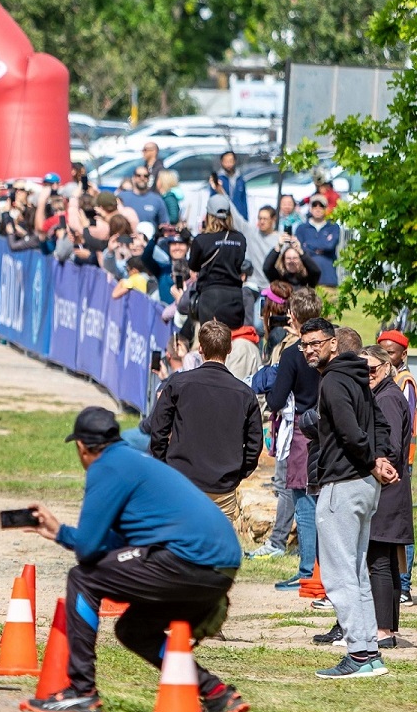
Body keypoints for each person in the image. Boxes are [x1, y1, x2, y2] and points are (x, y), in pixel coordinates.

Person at [19, 407, 249, 712]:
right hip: (218, 567)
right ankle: (216, 693)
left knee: (82, 578)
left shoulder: (106, 467)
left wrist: (65, 535)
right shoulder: (133, 460)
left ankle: (82, 692)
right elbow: (118, 545)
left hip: (188, 559)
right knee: (134, 630)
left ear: (81, 447)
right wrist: (60, 532)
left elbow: (88, 550)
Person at [297, 318, 398, 678]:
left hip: (344, 483)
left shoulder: (335, 380)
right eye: (304, 344)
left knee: (340, 576)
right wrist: (383, 459)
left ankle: (357, 655)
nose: (309, 349)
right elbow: (379, 426)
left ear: (333, 344)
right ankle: (369, 653)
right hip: (363, 484)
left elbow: (349, 430)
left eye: (316, 343)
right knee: (355, 572)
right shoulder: (358, 377)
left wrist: (374, 461)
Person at [145, 320, 263, 543]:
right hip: (222, 485)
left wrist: (165, 467)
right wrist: (236, 475)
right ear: (229, 349)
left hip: (182, 481)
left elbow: (158, 431)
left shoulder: (178, 384)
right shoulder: (244, 393)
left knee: (179, 547)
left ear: (200, 348)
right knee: (215, 551)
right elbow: (254, 445)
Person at [254, 289, 323, 572]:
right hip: (329, 426)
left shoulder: (295, 352)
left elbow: (277, 398)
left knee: (297, 493)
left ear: (293, 317)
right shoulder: (332, 346)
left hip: (299, 430)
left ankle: (302, 562)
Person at [360, 345, 413, 649]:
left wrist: (372, 459)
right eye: (361, 370)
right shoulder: (383, 395)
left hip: (387, 489)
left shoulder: (389, 398)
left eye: (370, 370)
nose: (366, 375)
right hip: (390, 490)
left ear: (385, 367)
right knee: (387, 562)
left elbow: (390, 447)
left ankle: (383, 631)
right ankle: (387, 628)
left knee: (380, 560)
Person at [377, 329, 417, 603]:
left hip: (402, 459)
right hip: (388, 459)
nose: (388, 359)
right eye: (384, 353)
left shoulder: (404, 382)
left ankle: (403, 583)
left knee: (400, 521)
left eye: (391, 353)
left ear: (403, 354)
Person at [183, 193, 249, 340]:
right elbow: (240, 263)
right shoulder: (239, 239)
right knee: (234, 339)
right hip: (234, 294)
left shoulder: (201, 240)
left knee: (211, 342)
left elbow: (193, 265)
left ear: (208, 215)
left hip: (210, 295)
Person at [294, 195, 343, 289]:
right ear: (310, 209)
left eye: (321, 206)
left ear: (326, 209)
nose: (318, 209)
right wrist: (320, 246)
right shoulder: (301, 228)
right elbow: (300, 250)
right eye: (314, 206)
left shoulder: (333, 227)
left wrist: (308, 244)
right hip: (306, 278)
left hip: (328, 278)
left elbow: (330, 246)